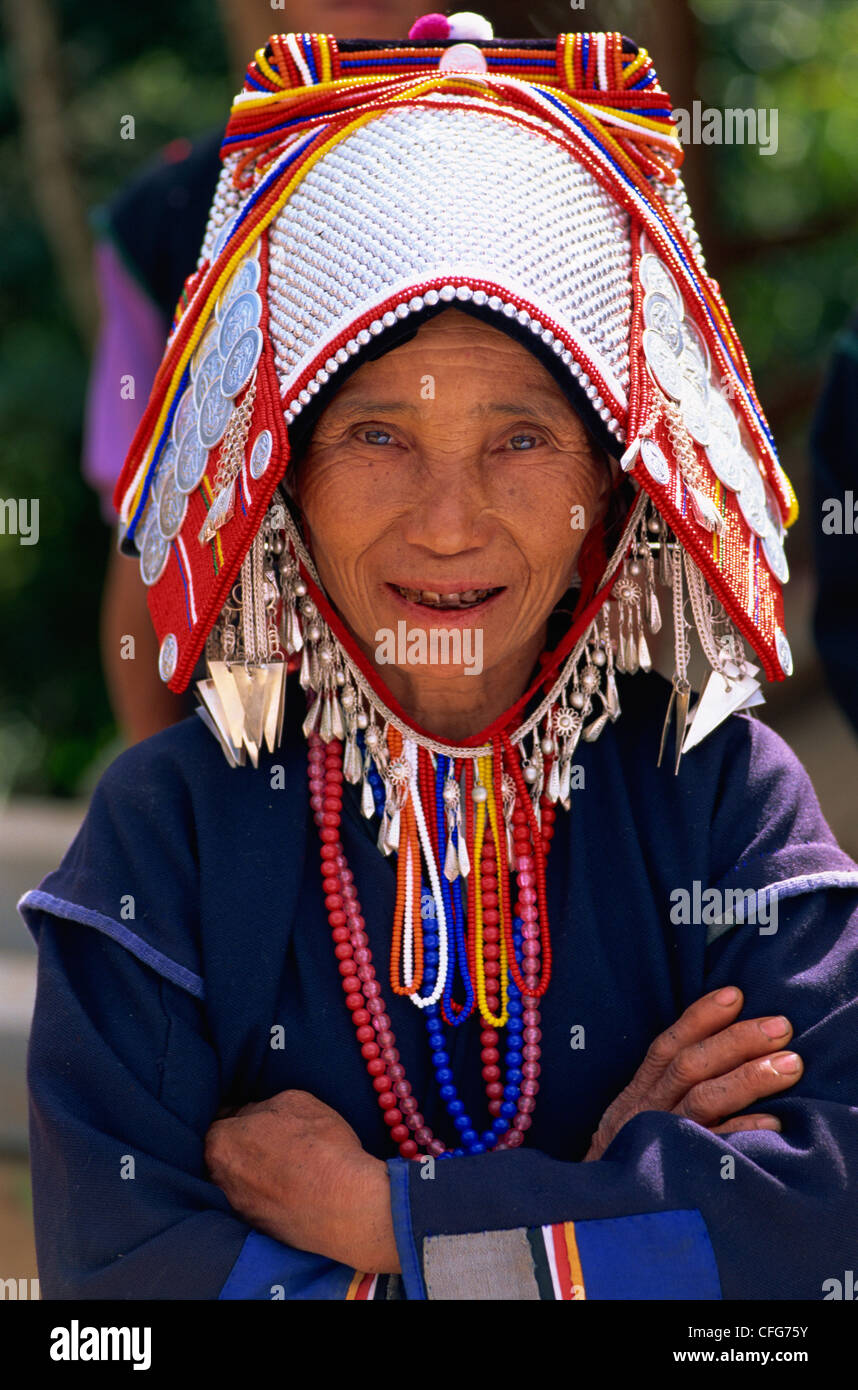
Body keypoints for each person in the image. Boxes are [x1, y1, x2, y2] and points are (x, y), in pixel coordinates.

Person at [20, 18, 858, 1301]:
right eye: (376, 437)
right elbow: (116, 1294)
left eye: (520, 439)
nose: (450, 521)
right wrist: (595, 1197)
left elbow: (818, 1242)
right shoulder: (169, 841)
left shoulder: (724, 810)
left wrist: (386, 1214)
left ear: (615, 491)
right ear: (281, 483)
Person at [85, 0, 425, 741]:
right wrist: (166, 817)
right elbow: (145, 539)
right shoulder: (168, 221)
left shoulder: (569, 163)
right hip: (267, 733)